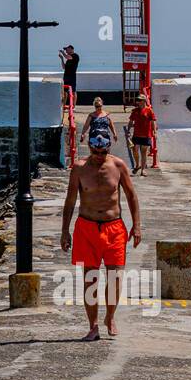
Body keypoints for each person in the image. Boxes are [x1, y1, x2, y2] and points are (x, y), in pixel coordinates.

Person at [61, 126, 141, 341]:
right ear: (90, 148)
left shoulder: (118, 165)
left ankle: (111, 317)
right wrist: (65, 232)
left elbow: (132, 196)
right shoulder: (78, 169)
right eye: (95, 152)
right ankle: (93, 325)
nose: (99, 157)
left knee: (115, 278)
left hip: (114, 227)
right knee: (91, 279)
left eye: (103, 152)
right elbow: (70, 202)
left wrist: (137, 225)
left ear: (108, 149)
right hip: (86, 228)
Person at [127, 93, 157, 175]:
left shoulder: (149, 110)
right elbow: (131, 121)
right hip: (136, 134)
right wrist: (128, 130)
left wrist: (154, 131)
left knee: (144, 152)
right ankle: (137, 165)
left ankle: (143, 170)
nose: (138, 102)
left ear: (144, 101)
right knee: (134, 150)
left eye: (140, 100)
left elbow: (153, 121)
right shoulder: (135, 111)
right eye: (138, 100)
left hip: (146, 134)